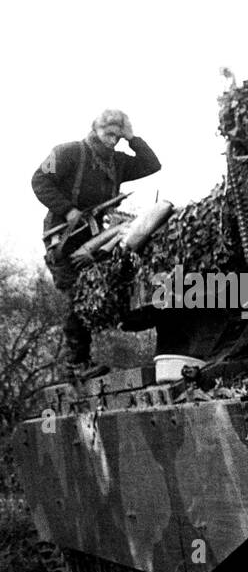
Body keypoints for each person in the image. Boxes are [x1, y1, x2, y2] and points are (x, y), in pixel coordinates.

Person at [31, 109, 162, 377]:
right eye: (108, 134)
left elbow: (152, 165)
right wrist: (67, 210)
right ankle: (75, 364)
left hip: (97, 238)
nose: (112, 140)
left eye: (117, 135)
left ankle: (87, 359)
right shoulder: (69, 153)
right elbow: (39, 180)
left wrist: (132, 138)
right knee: (75, 294)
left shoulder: (117, 162)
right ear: (95, 129)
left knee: (100, 290)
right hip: (64, 238)